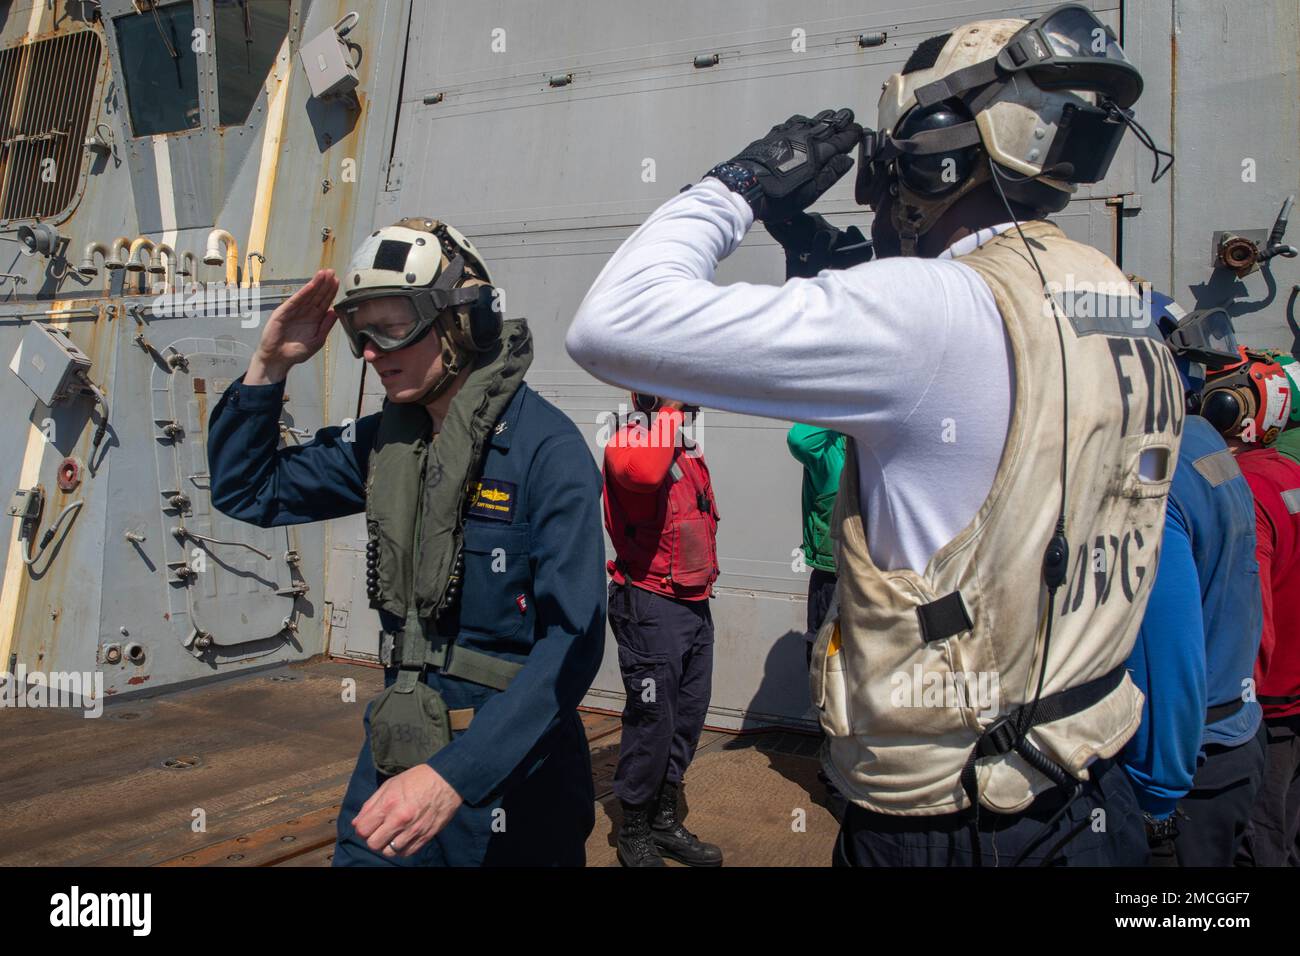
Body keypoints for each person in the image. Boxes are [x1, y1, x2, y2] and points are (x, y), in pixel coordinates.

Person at [567, 9, 1178, 865]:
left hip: (950, 817)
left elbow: (612, 322)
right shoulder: (1117, 301)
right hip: (1082, 782)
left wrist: (735, 186)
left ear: (932, 149)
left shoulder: (929, 311)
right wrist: (847, 272)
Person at [207, 218, 606, 866]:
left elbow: (573, 641)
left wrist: (457, 777)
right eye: (361, 329)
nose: (371, 350)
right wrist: (268, 365)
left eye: (393, 326)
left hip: (514, 779)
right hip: (397, 755)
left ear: (462, 323)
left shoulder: (547, 453)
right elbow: (249, 490)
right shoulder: (386, 444)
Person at [1119, 291, 1265, 866]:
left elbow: (1166, 653)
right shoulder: (1202, 438)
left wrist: (1156, 798)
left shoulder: (1149, 470)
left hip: (1178, 769)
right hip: (1232, 739)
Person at [603, 393, 723, 867]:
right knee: (653, 720)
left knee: (687, 718)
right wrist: (669, 406)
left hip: (694, 605)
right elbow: (646, 474)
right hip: (650, 604)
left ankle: (664, 821)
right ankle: (633, 828)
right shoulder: (624, 440)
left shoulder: (685, 449)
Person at [1224, 352, 1300, 865]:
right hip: (1293, 697)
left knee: (1264, 842)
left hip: (1268, 708)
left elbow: (1256, 614)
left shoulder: (1245, 489)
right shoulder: (1287, 471)